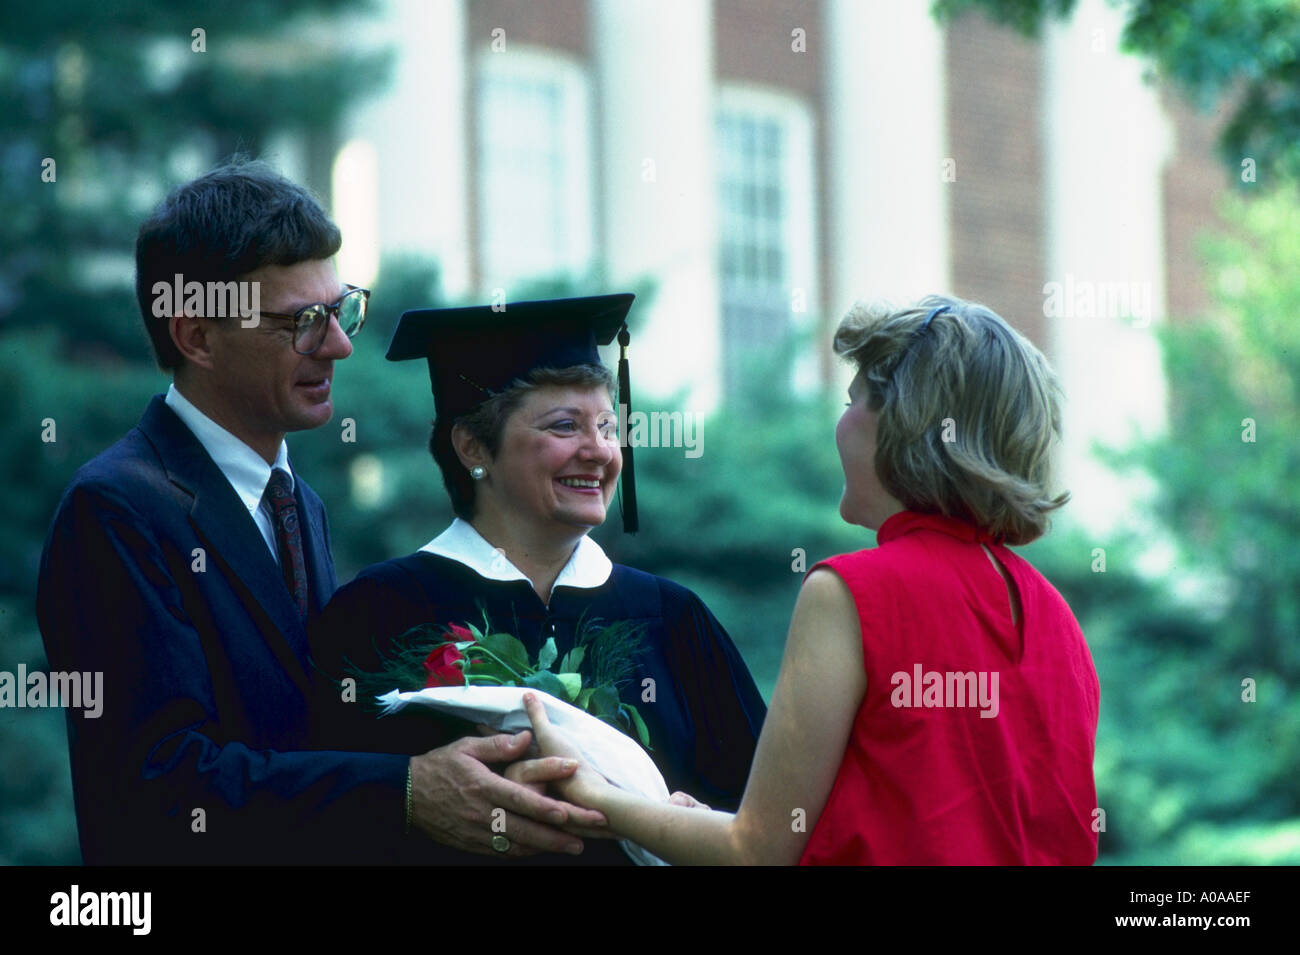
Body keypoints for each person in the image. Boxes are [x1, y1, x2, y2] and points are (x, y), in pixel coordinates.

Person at [36, 159, 599, 864]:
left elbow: (311, 736)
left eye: (340, 310)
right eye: (302, 322)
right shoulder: (116, 509)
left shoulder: (301, 504)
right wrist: (404, 790)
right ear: (196, 336)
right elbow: (161, 784)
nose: (338, 344)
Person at [522, 294, 1101, 865]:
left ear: (901, 422)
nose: (840, 426)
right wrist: (690, 821)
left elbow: (756, 851)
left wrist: (596, 794)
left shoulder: (851, 592)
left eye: (854, 402)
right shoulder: (1057, 615)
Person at [308, 293, 768, 864]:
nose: (599, 450)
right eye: (564, 426)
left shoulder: (671, 617)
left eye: (606, 425)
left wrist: (693, 823)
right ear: (473, 446)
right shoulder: (379, 612)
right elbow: (325, 811)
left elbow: (764, 817)